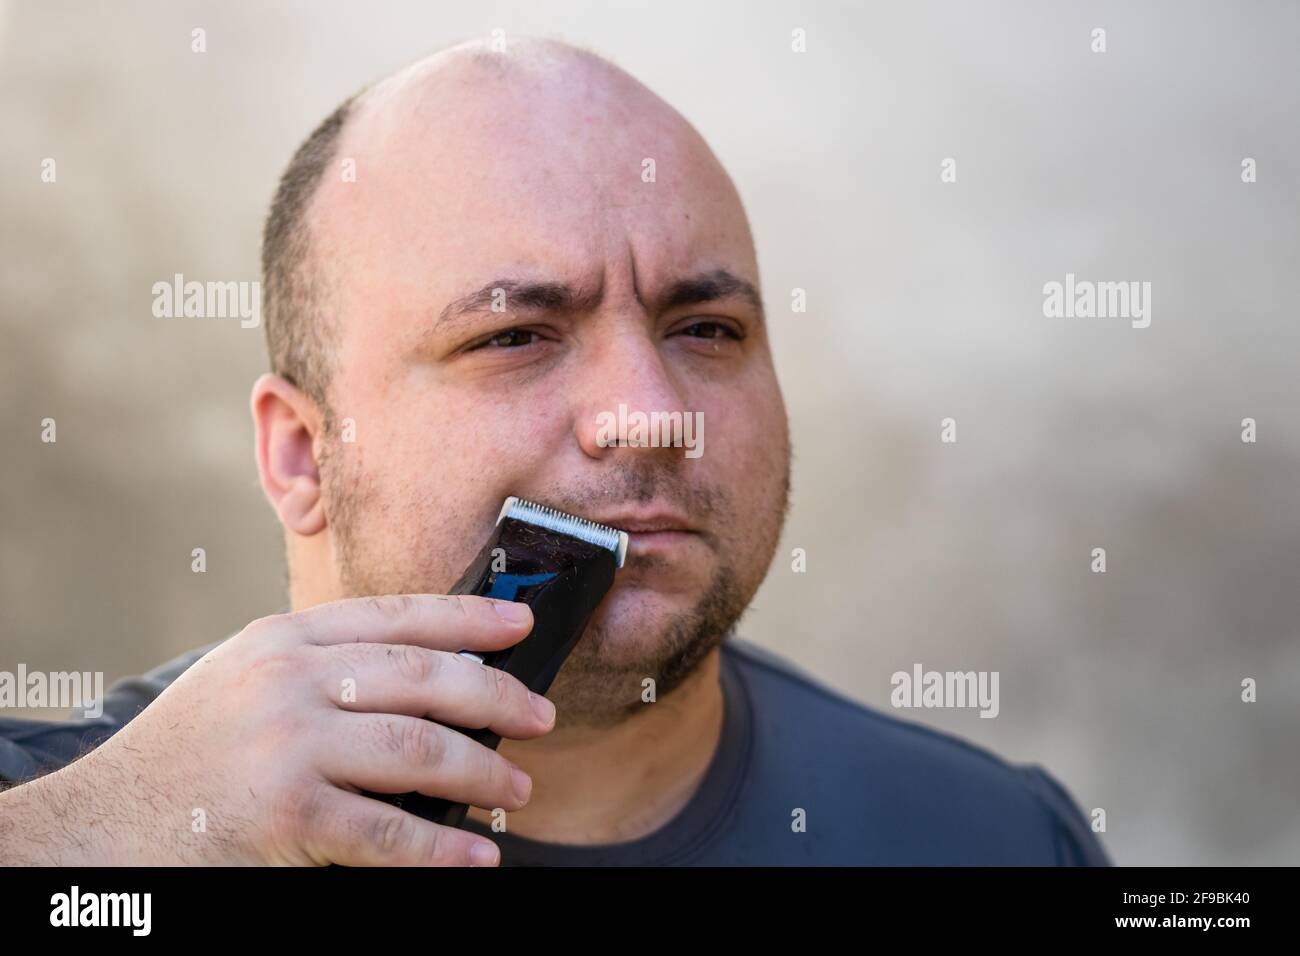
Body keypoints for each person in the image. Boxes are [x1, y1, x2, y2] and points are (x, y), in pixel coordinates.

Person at [0, 36, 1109, 866]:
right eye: (515, 336)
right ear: (299, 453)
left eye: (705, 330)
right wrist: (97, 834)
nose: (646, 413)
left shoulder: (995, 836)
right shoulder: (65, 819)